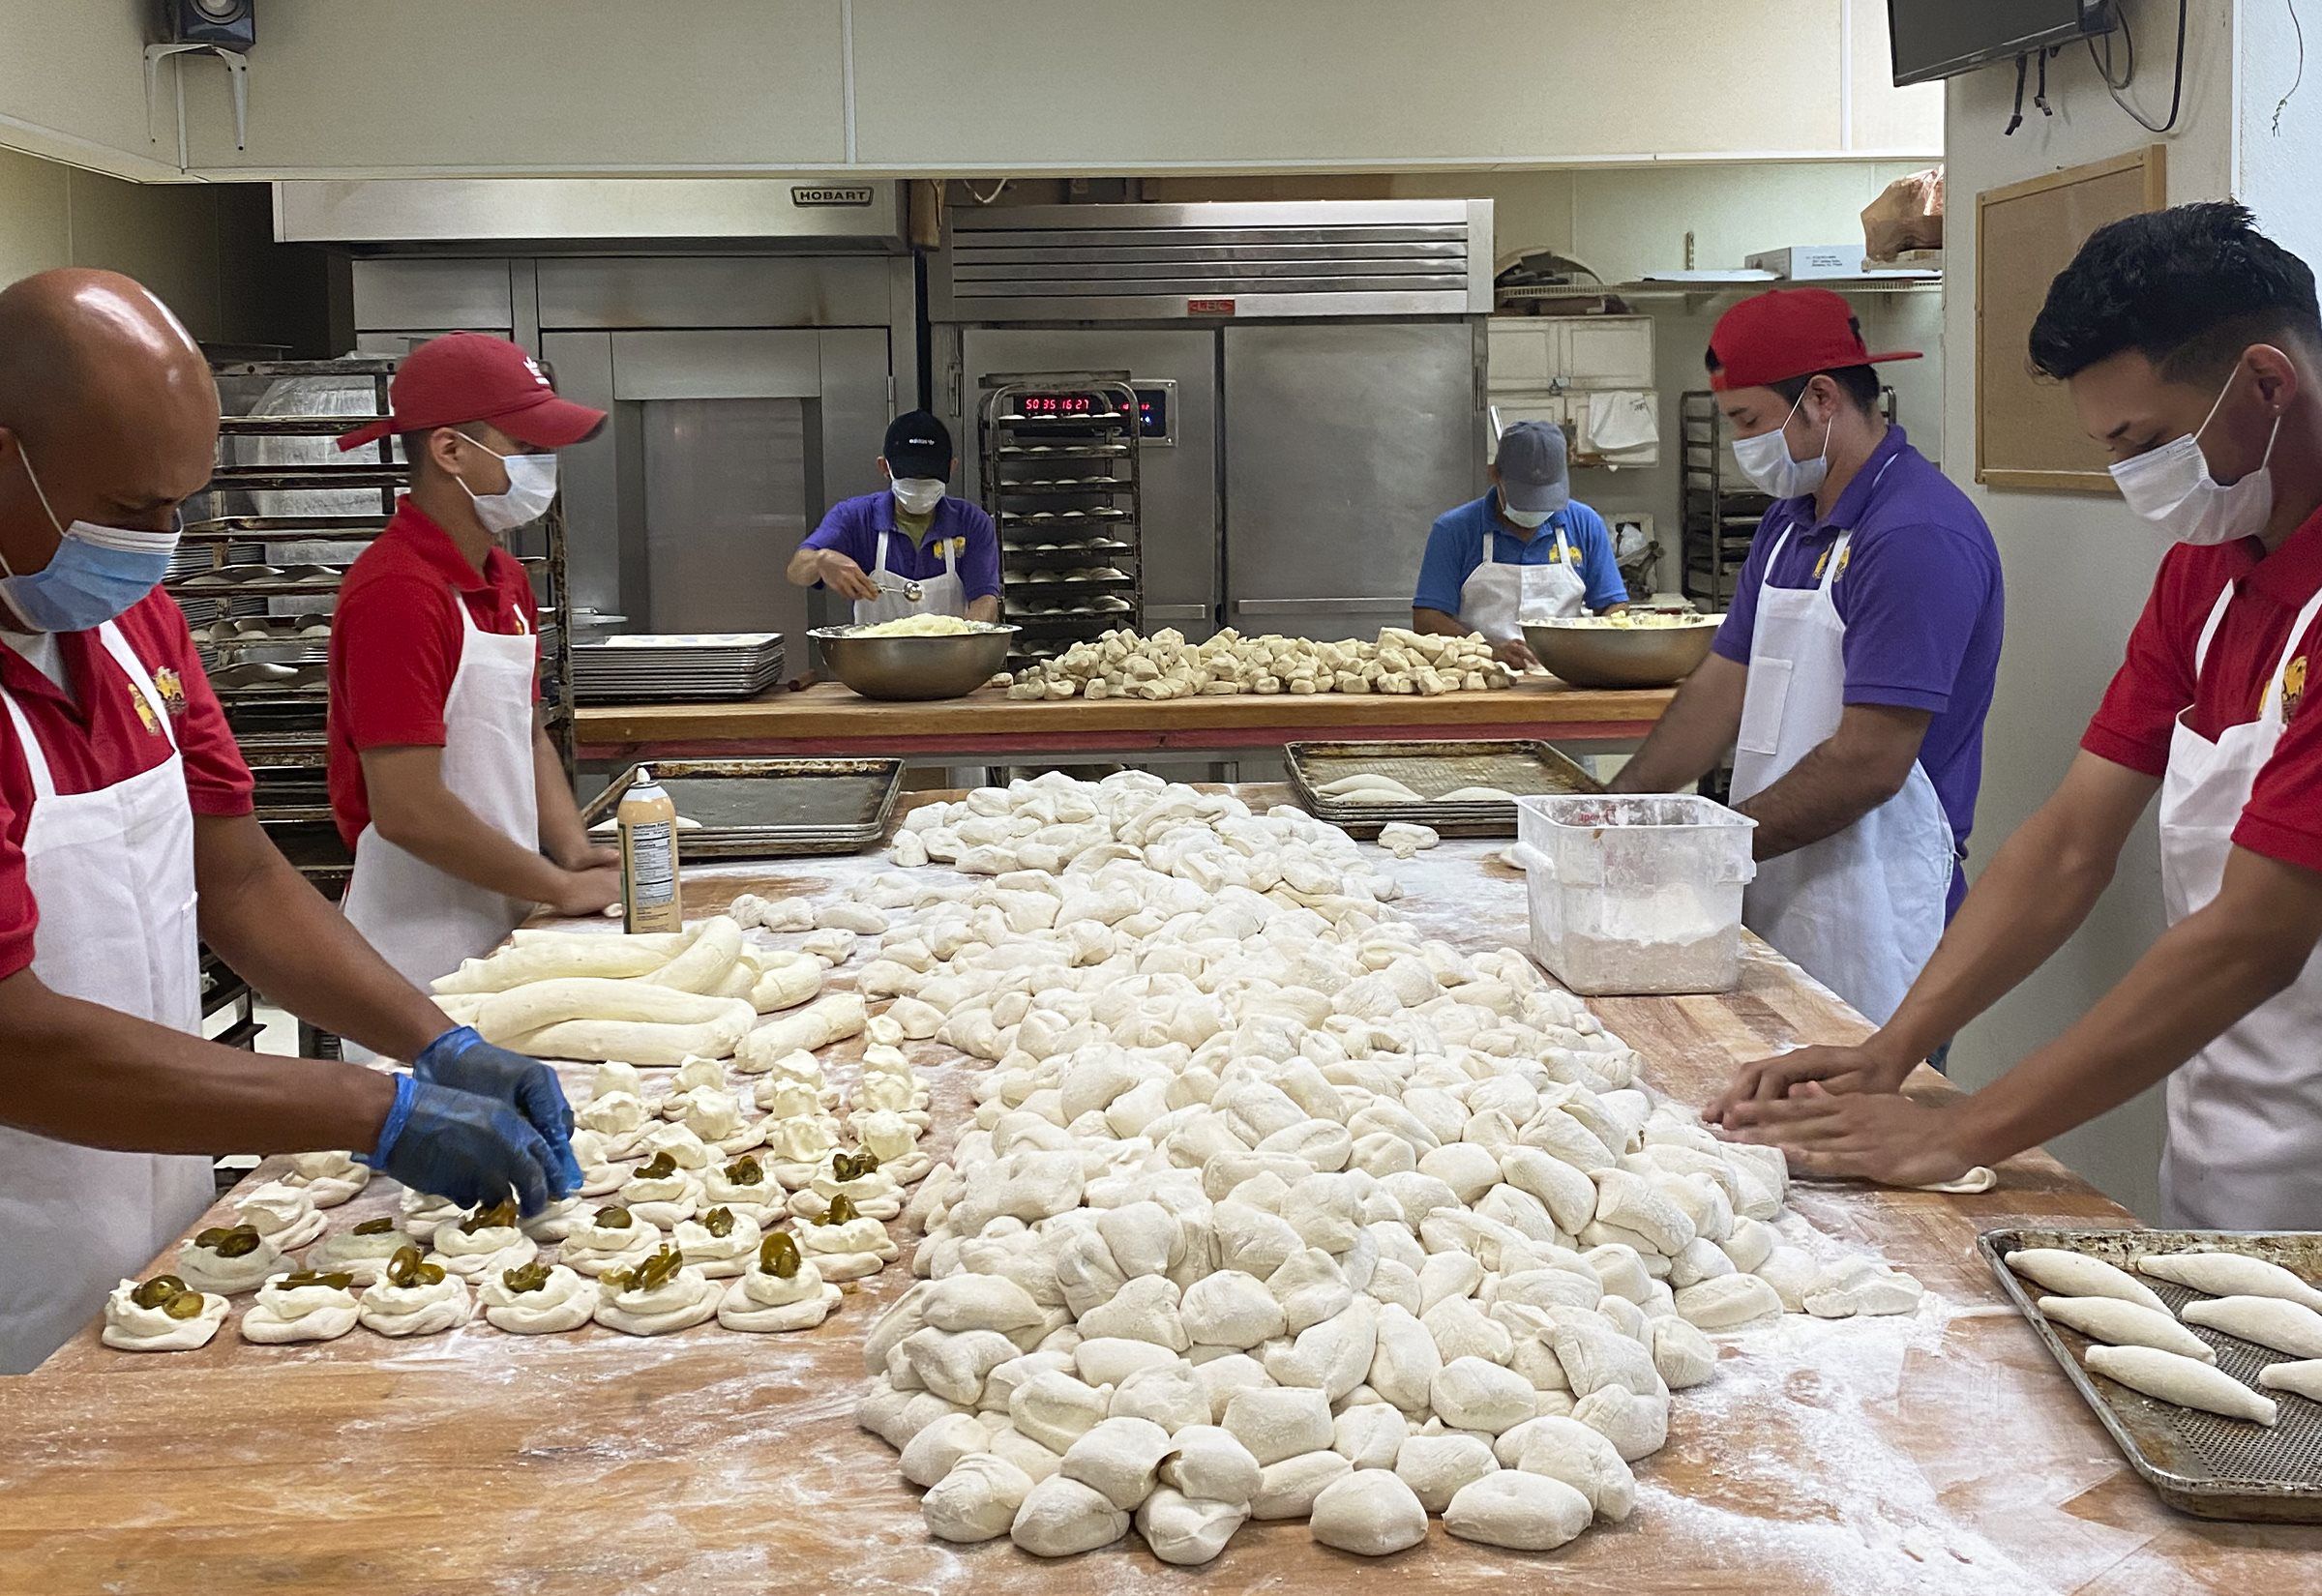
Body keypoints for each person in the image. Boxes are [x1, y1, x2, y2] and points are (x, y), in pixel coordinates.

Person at [0, 271, 578, 1374]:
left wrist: (436, 1042)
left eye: (182, 506)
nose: (160, 543)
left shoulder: (134, 625)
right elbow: (12, 1041)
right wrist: (371, 1109)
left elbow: (243, 881)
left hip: (144, 1212)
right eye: (130, 510)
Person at [1713, 204, 2322, 1227]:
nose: (2129, 479)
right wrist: (1889, 1052)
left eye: (2147, 441)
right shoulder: (2206, 578)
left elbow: (2256, 933)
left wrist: (1964, 1129)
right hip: (2236, 1144)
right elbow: (2068, 845)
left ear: (2267, 383)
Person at [1611, 288, 2004, 1029]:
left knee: (1853, 1132)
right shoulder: (1792, 525)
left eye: (1750, 422)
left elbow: (1870, 761)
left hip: (1881, 911)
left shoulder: (1916, 534)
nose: (1743, 446)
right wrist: (1613, 816)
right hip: (1781, 878)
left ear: (1821, 397)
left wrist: (1708, 850)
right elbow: (1722, 689)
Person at [328, 333, 618, 1025]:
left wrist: (574, 852)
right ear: (451, 450)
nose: (545, 468)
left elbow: (526, 731)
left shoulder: (504, 576)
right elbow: (406, 807)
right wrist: (552, 882)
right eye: (527, 448)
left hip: (508, 906)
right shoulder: (397, 592)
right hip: (418, 942)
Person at [1413, 419, 1628, 669]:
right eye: (1525, 500)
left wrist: (1589, 643)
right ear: (1495, 475)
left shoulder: (1585, 523)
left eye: (1545, 501)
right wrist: (1487, 650)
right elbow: (1427, 619)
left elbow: (1614, 606)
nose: (1534, 512)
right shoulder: (1454, 530)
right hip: (1479, 680)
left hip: (1566, 681)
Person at [787, 411, 1000, 625]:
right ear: (884, 467)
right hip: (874, 657)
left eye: (929, 475)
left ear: (952, 467)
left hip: (954, 656)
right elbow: (797, 570)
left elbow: (984, 599)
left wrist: (971, 641)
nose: (919, 482)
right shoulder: (855, 518)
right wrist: (821, 560)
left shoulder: (971, 522)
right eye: (909, 474)